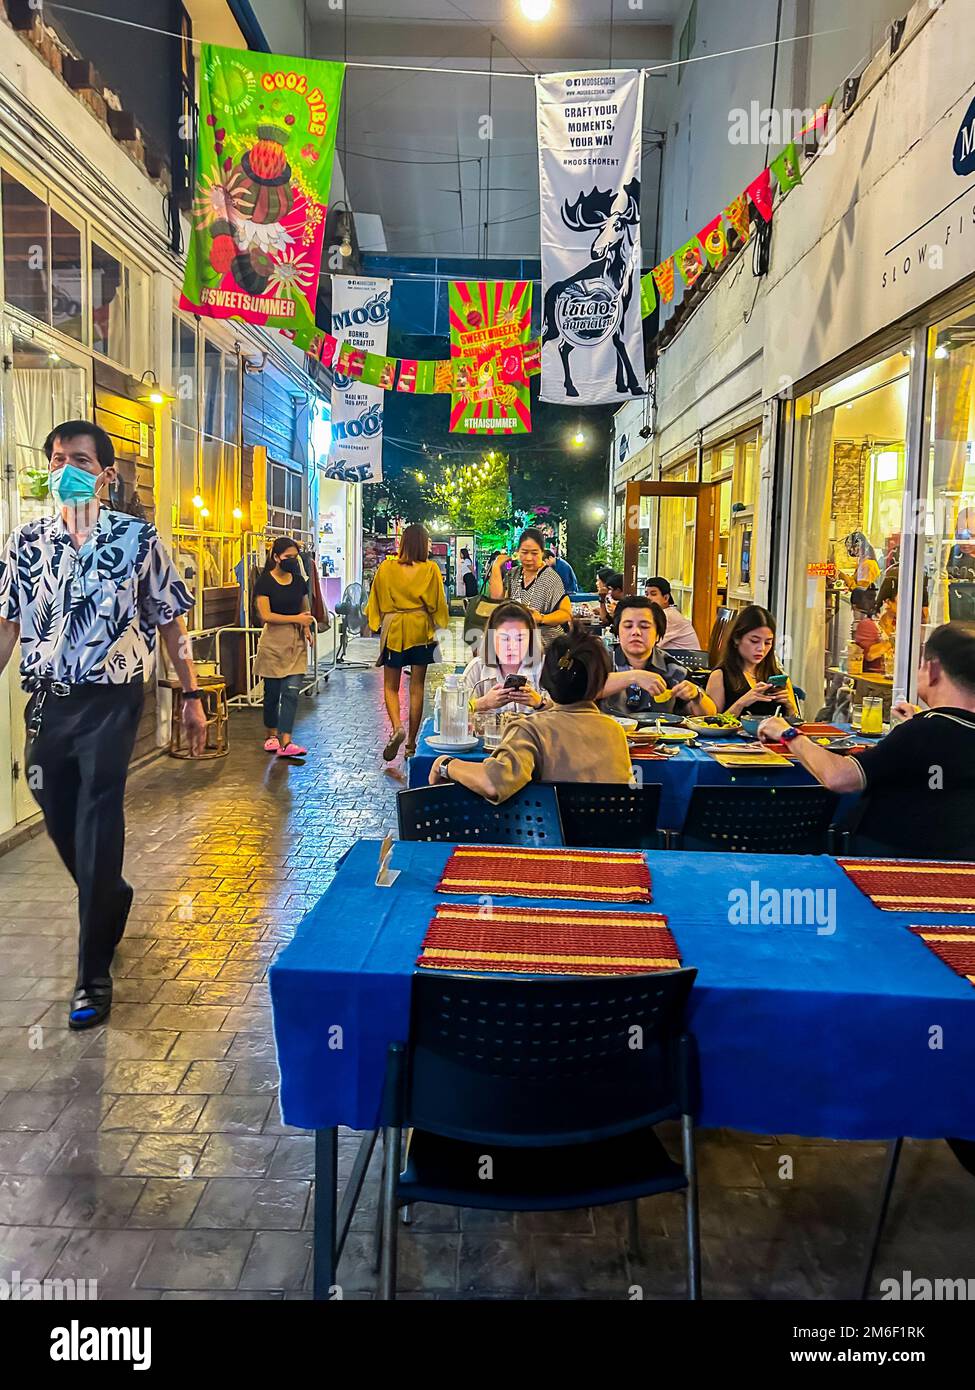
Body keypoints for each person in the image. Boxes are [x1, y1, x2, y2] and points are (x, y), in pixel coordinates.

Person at [0, 420, 206, 1030]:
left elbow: (171, 625)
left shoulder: (139, 542)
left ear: (106, 474)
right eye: (59, 458)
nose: (69, 469)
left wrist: (190, 696)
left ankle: (92, 974)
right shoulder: (24, 543)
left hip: (114, 702)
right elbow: (8, 627)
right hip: (48, 702)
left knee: (96, 815)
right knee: (54, 809)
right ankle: (109, 895)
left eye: (82, 460)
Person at [757, 621, 975, 859]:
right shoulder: (927, 730)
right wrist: (916, 723)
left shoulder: (923, 732)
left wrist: (787, 734)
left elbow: (840, 777)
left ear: (932, 670)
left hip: (889, 864)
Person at [429, 624, 632, 801]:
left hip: (550, 843)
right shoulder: (615, 731)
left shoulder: (532, 729)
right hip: (614, 844)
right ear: (600, 684)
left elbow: (493, 783)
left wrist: (445, 764)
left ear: (545, 679)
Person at [367, 522, 449, 760]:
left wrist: (375, 622)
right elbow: (438, 605)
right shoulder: (430, 569)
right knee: (417, 687)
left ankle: (397, 728)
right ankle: (411, 744)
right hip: (420, 630)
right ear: (423, 545)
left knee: (391, 686)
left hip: (394, 629)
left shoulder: (386, 568)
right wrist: (439, 624)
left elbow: (376, 600)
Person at [600, 597, 715, 718]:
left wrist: (696, 696)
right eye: (628, 626)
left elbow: (710, 714)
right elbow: (584, 689)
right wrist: (634, 677)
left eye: (644, 627)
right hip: (610, 734)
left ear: (658, 634)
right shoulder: (602, 660)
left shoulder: (672, 668)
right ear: (617, 632)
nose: (636, 632)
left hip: (660, 734)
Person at [254, 537, 313, 758]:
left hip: (295, 643)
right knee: (272, 694)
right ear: (276, 557)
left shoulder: (299, 582)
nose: (292, 561)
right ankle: (271, 735)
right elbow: (266, 615)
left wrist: (306, 628)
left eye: (295, 557)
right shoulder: (265, 582)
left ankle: (286, 740)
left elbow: (305, 611)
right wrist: (296, 619)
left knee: (291, 693)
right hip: (272, 643)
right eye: (288, 557)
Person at [705, 604, 798, 718]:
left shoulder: (778, 676)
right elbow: (712, 724)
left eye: (768, 642)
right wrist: (741, 703)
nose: (761, 648)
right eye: (754, 641)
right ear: (736, 639)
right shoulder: (720, 676)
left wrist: (790, 707)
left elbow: (796, 722)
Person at [488, 527, 571, 647]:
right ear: (517, 552)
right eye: (524, 552)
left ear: (542, 552)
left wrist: (542, 618)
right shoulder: (513, 573)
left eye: (534, 553)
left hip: (546, 645)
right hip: (517, 643)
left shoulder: (551, 578)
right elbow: (496, 599)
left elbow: (566, 613)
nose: (528, 558)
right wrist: (496, 566)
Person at [462, 602, 547, 713]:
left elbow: (565, 712)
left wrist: (539, 703)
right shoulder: (476, 668)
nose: (512, 646)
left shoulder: (545, 667)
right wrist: (483, 703)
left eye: (520, 639)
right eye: (504, 639)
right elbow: (452, 713)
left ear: (531, 639)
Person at [644, 576, 702, 651]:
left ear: (666, 598)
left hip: (687, 660)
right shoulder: (663, 613)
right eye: (646, 594)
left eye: (653, 594)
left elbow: (649, 643)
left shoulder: (668, 616)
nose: (648, 598)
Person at [850, 588, 888, 674]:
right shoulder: (864, 623)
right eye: (870, 598)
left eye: (874, 598)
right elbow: (869, 655)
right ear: (855, 605)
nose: (874, 603)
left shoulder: (875, 620)